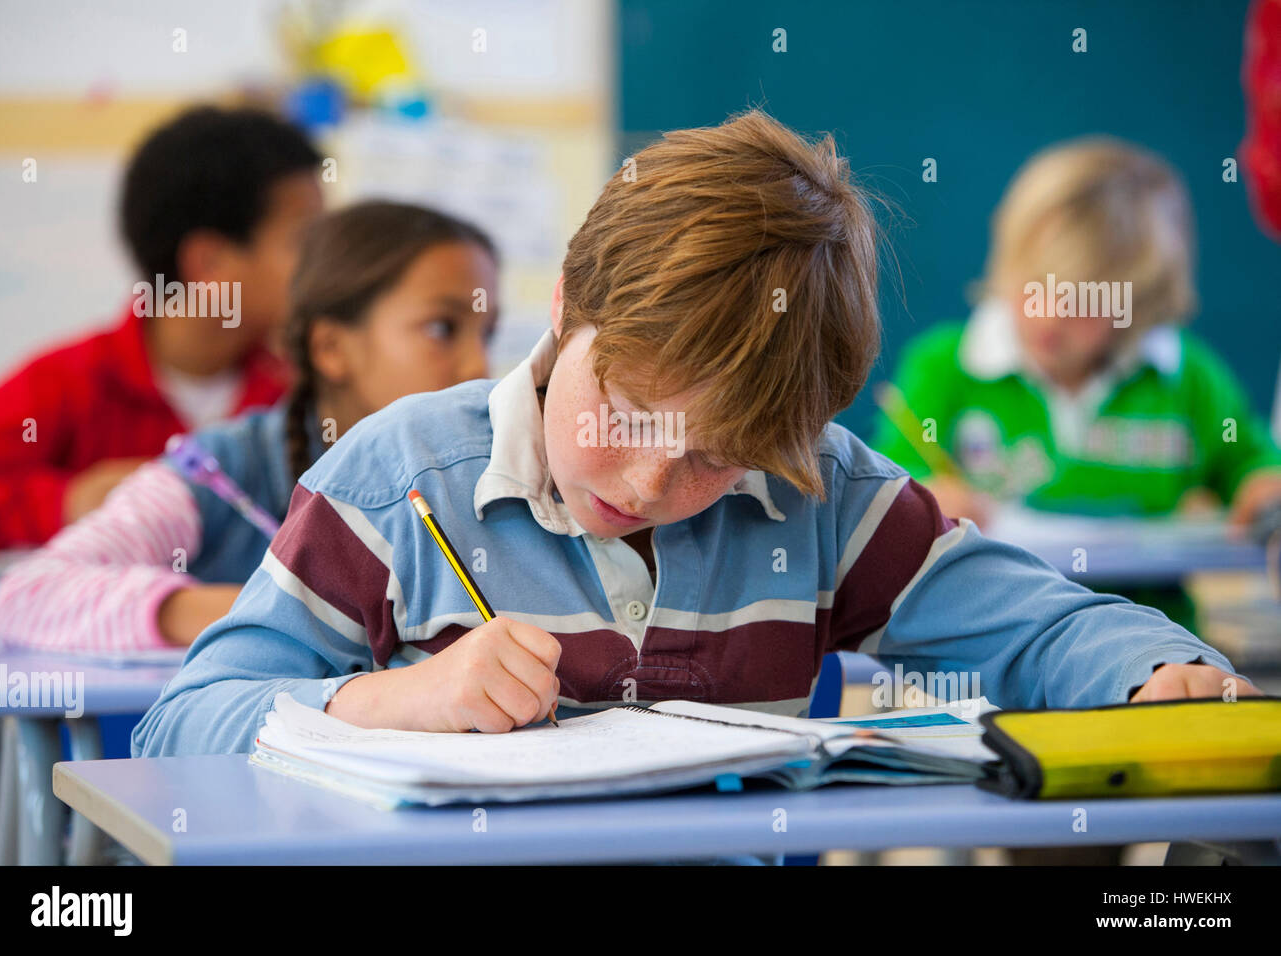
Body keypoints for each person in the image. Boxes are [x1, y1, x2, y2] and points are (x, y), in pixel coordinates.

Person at [133, 110, 1256, 761]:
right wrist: (387, 701)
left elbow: (1045, 627)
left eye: (718, 455)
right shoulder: (393, 482)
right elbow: (182, 725)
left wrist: (1159, 673)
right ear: (568, 304)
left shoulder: (820, 496)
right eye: (627, 411)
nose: (649, 478)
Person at [0, 201, 498, 649]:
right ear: (331, 348)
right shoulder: (223, 469)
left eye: (488, 332)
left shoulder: (489, 477)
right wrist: (264, 610)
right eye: (442, 328)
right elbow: (27, 597)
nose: (480, 366)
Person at [872, 137, 1281, 631]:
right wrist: (925, 499)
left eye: (1082, 300)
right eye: (1034, 286)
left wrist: (1262, 489)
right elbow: (889, 485)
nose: (1050, 314)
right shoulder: (944, 367)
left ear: (1140, 304)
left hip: (1152, 637)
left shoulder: (1184, 378)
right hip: (990, 634)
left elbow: (1250, 463)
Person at [0, 105, 324, 549]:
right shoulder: (64, 382)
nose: (328, 264)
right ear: (209, 263)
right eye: (305, 241)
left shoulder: (306, 388)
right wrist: (69, 502)